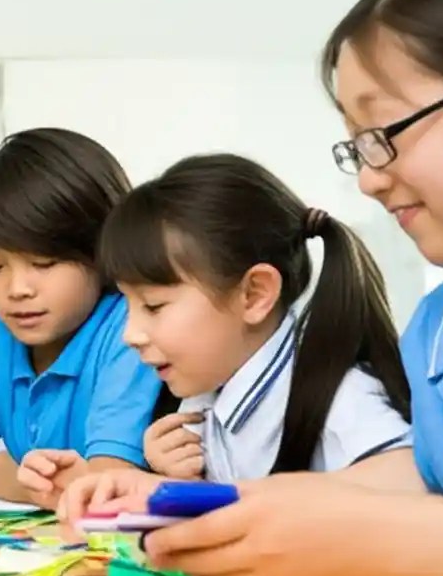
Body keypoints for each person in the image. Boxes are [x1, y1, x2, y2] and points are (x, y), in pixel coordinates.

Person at [59, 0, 443, 576]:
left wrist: (383, 540)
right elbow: (418, 486)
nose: (369, 179)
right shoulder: (440, 329)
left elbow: (407, 523)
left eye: (385, 135)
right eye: (357, 148)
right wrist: (188, 502)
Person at [97, 154, 410, 486]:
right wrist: (178, 481)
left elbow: (407, 489)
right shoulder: (203, 398)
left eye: (153, 306)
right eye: (128, 305)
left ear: (255, 294)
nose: (130, 334)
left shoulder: (340, 400)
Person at [0, 129, 160, 509]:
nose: (17, 288)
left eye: (43, 263)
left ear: (104, 251)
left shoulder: (131, 330)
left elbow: (104, 487)